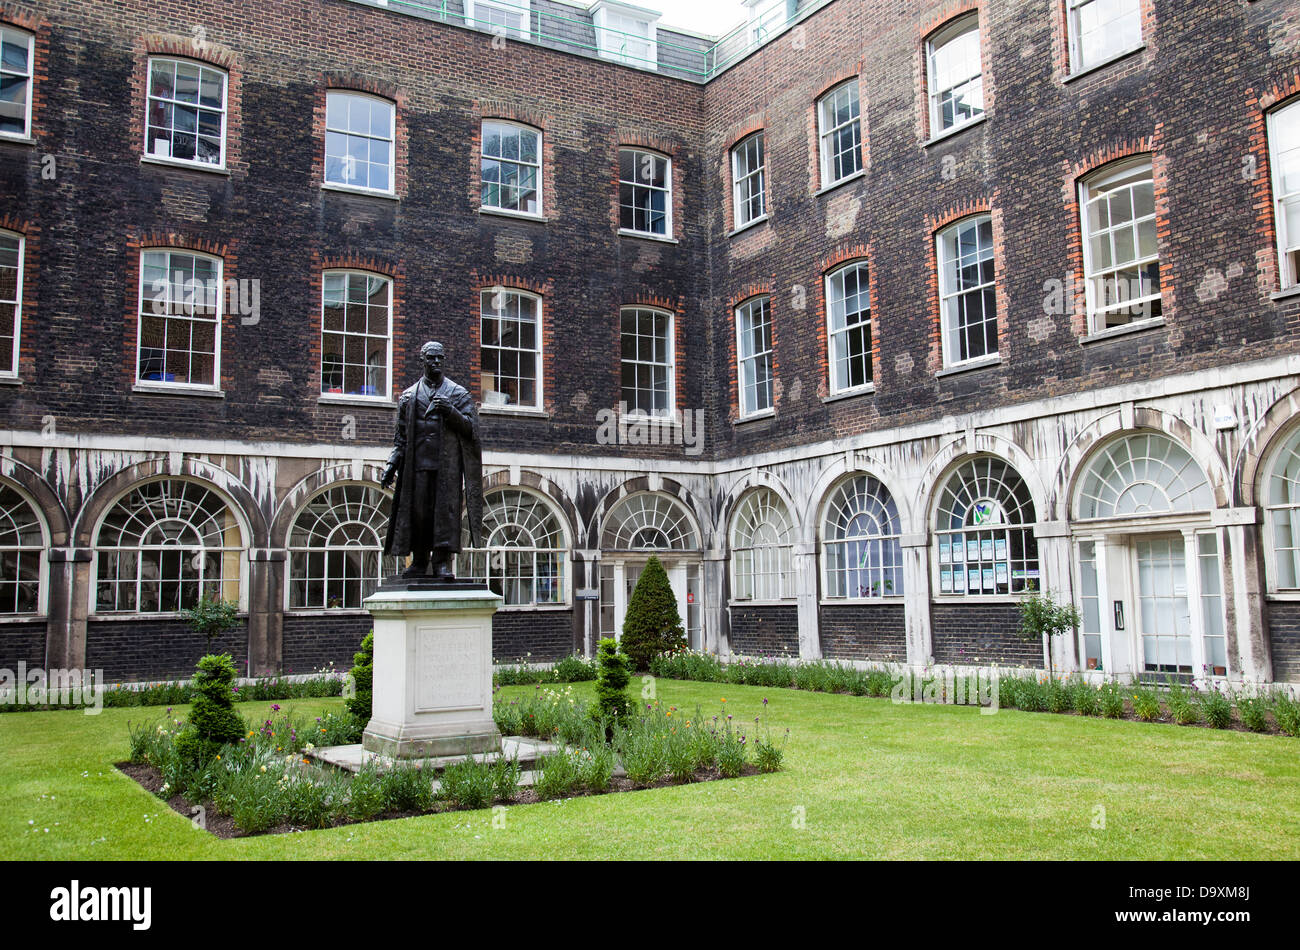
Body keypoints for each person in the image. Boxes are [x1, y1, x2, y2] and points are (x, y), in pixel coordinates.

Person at [380, 342, 483, 579]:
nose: (436, 362)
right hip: (417, 467)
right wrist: (390, 466)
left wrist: (450, 411)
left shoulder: (458, 394)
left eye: (440, 359)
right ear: (423, 360)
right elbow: (401, 439)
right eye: (432, 359)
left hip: (446, 468)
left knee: (445, 515)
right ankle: (419, 561)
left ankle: (442, 562)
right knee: (418, 515)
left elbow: (472, 431)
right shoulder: (408, 397)